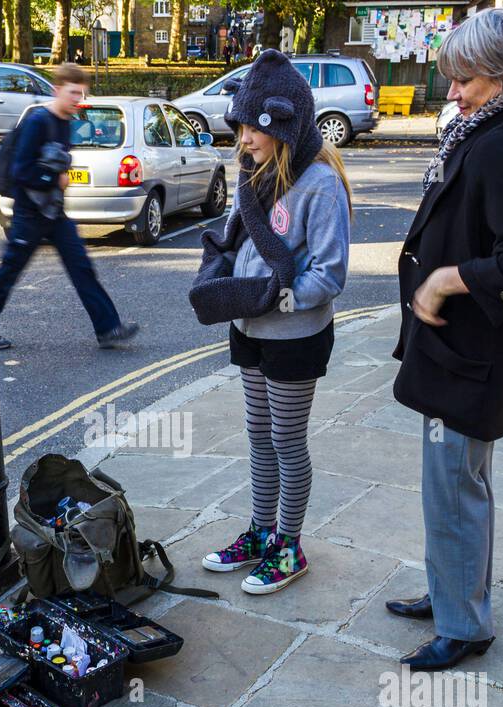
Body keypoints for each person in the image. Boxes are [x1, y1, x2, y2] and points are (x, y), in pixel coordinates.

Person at [385, 7, 503, 671]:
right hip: (464, 352)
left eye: (465, 81)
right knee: (457, 483)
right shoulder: (502, 124)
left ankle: (464, 626)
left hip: (472, 355)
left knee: (454, 486)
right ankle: (452, 592)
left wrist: (444, 281)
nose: (453, 94)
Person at [189, 49, 351, 595]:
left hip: (294, 335)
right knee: (258, 434)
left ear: (282, 125)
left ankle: (290, 544)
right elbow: (237, 244)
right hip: (250, 329)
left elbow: (329, 275)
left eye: (250, 128)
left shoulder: (320, 186)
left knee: (286, 438)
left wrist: (272, 300)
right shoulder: (252, 174)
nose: (242, 138)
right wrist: (219, 273)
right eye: (238, 126)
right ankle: (260, 533)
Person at [0, 62, 139, 351]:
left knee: (81, 267)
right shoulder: (38, 122)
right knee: (9, 271)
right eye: (72, 93)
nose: (77, 99)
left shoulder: (65, 123)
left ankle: (108, 329)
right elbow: (21, 171)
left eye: (81, 93)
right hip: (29, 212)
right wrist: (53, 178)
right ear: (58, 90)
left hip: (54, 213)